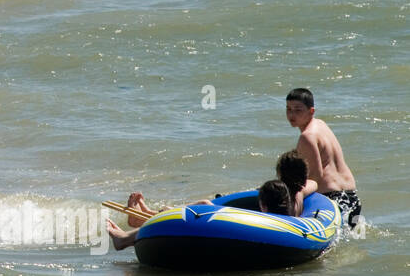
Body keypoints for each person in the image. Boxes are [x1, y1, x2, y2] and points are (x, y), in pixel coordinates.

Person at [107, 178, 296, 250]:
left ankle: (127, 236)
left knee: (205, 204)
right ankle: (149, 214)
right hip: (239, 243)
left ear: (262, 204)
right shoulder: (296, 223)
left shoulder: (262, 222)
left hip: (213, 232)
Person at [286, 87, 361, 228]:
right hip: (352, 198)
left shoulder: (307, 137)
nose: (292, 114)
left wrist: (291, 197)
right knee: (351, 241)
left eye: (298, 110)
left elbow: (314, 178)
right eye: (288, 109)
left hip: (332, 202)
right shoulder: (320, 124)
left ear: (311, 111)